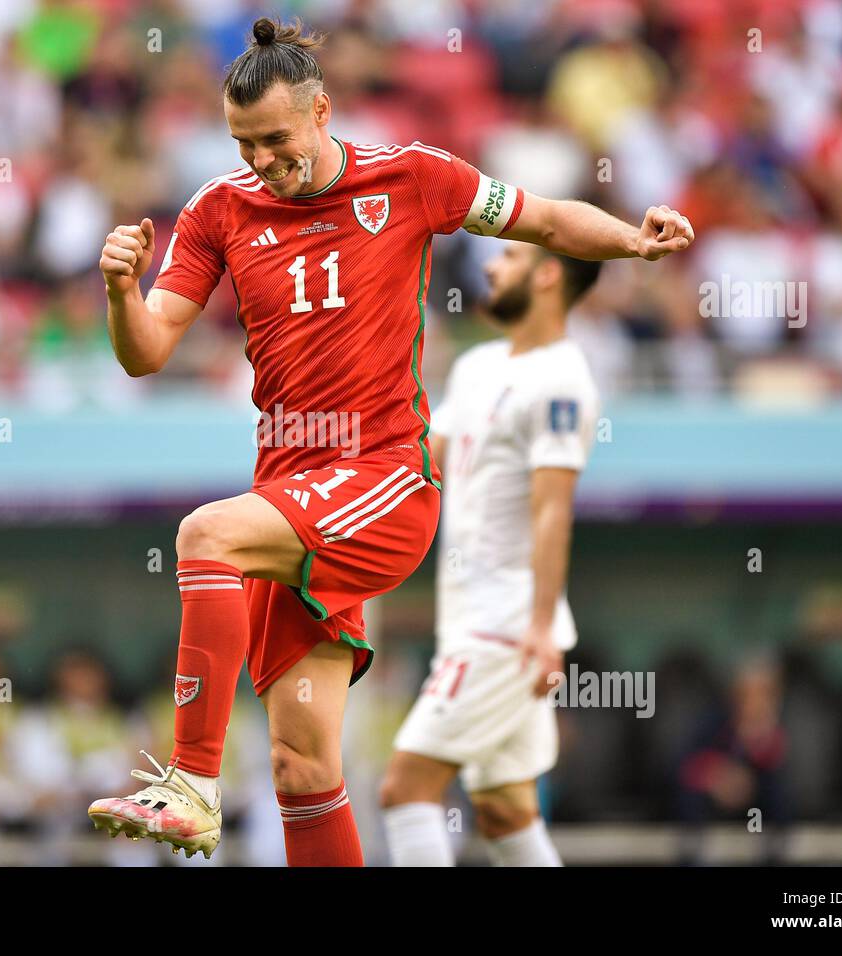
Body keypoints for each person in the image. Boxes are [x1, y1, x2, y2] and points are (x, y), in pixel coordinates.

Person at [92, 15, 693, 865]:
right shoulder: (217, 210)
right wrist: (122, 292)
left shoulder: (412, 178)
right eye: (243, 143)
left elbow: (548, 220)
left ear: (322, 110)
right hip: (291, 497)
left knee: (204, 536)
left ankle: (189, 785)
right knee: (302, 768)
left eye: (274, 140)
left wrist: (633, 239)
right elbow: (147, 353)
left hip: (382, 480)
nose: (261, 160)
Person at [380, 244, 603, 866]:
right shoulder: (478, 365)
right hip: (472, 624)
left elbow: (552, 508)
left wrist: (538, 626)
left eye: (508, 254)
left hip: (504, 632)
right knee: (506, 810)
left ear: (550, 272)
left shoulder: (564, 381)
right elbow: (426, 461)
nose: (490, 266)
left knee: (404, 790)